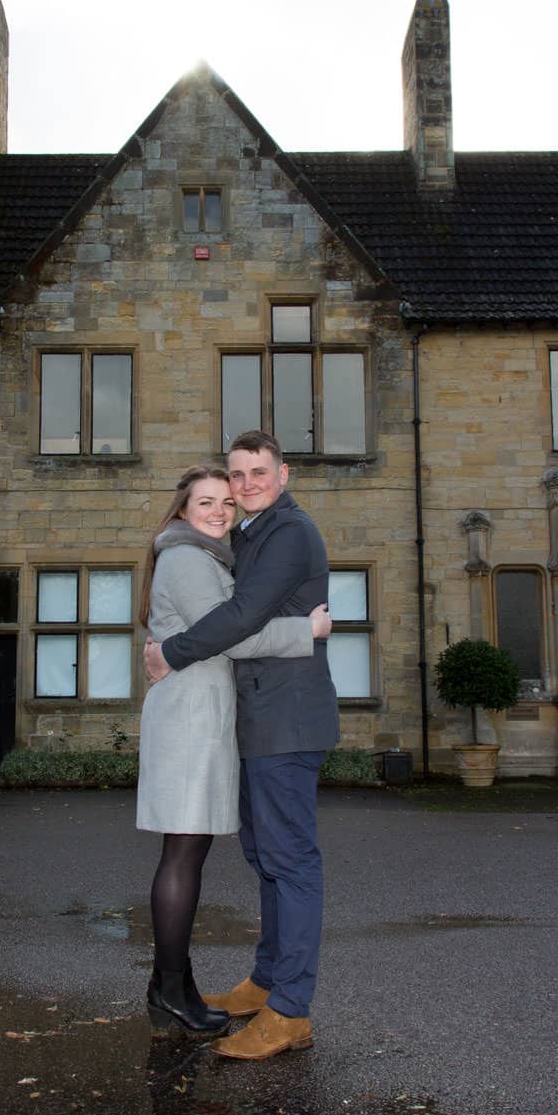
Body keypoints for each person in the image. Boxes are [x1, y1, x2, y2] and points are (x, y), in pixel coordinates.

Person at [144, 430, 339, 1061]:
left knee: (291, 862)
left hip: (286, 719)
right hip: (257, 723)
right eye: (237, 476)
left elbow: (240, 617)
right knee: (267, 857)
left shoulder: (287, 532)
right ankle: (265, 981)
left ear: (284, 473)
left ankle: (290, 1010)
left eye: (259, 472)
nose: (246, 485)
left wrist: (169, 652)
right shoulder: (243, 538)